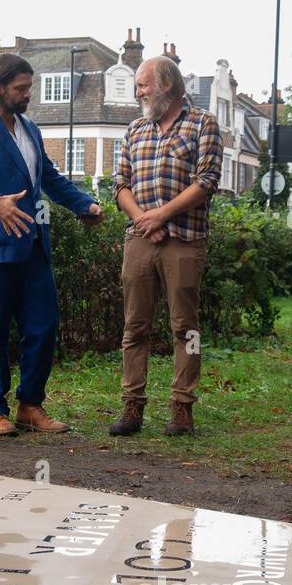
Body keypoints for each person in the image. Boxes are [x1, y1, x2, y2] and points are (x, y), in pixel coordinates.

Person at [0, 54, 104, 437]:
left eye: (29, 88)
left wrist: (84, 203)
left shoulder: (30, 129)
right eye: (21, 88)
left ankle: (30, 406)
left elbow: (49, 178)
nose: (27, 95)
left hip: (33, 247)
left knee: (43, 326)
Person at [108, 55, 221, 437]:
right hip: (140, 239)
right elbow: (119, 185)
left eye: (143, 84)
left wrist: (162, 217)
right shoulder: (135, 129)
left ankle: (182, 407)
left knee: (184, 327)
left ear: (166, 86)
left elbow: (206, 180)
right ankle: (132, 407)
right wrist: (144, 219)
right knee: (134, 325)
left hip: (185, 241)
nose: (138, 91)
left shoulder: (203, 124)